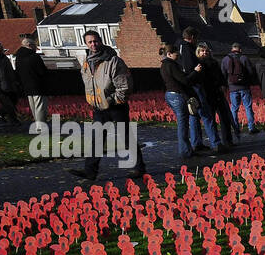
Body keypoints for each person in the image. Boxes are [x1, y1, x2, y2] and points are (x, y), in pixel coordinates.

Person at [76, 30, 145, 180]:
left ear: (100, 41)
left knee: (126, 137)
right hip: (98, 107)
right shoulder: (87, 63)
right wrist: (93, 100)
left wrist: (112, 100)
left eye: (95, 41)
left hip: (116, 105)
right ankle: (90, 171)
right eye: (90, 42)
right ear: (86, 44)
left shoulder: (113, 61)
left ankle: (139, 167)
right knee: (97, 138)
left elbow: (125, 85)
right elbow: (88, 84)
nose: (93, 44)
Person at [161, 44, 199, 161]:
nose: (178, 55)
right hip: (177, 95)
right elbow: (184, 80)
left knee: (183, 123)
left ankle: (187, 149)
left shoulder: (164, 65)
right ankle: (185, 151)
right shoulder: (171, 65)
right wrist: (195, 72)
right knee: (183, 125)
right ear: (169, 54)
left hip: (170, 95)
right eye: (176, 53)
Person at [196, 43, 235, 151]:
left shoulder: (214, 62)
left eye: (206, 51)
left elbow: (221, 76)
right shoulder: (199, 64)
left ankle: (228, 140)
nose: (205, 53)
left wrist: (223, 85)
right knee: (211, 119)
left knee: (224, 117)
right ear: (198, 53)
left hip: (218, 92)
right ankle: (216, 142)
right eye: (202, 51)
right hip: (207, 94)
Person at [222, 44, 256, 135]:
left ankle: (235, 128)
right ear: (240, 49)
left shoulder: (225, 59)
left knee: (234, 108)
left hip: (232, 87)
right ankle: (251, 128)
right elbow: (251, 72)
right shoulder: (244, 58)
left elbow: (223, 74)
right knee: (248, 107)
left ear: (231, 49)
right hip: (244, 87)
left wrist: (226, 85)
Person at [14, 35, 49, 125]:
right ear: (29, 45)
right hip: (38, 85)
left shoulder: (18, 57)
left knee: (34, 108)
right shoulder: (34, 57)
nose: (36, 48)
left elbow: (17, 71)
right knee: (40, 108)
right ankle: (41, 127)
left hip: (26, 86)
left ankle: (38, 126)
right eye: (34, 45)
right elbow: (42, 71)